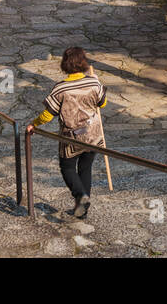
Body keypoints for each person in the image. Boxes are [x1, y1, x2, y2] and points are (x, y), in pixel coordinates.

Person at [28, 47, 108, 218]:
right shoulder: (94, 83)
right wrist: (97, 82)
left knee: (67, 168)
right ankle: (82, 210)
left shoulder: (60, 89)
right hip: (93, 135)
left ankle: (81, 197)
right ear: (83, 62)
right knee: (85, 169)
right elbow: (103, 104)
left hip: (72, 137)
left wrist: (34, 124)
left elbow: (48, 115)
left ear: (65, 64)